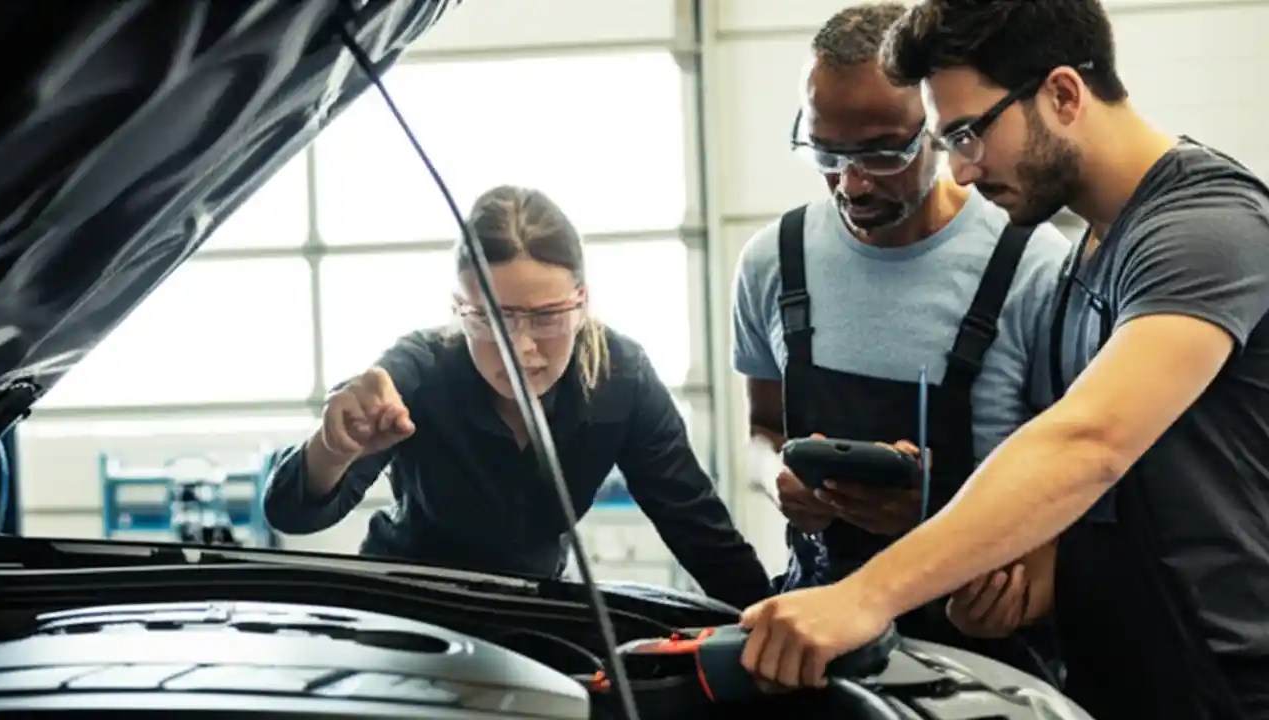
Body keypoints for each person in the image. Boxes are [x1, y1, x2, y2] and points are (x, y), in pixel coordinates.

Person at [737, 2, 1269, 718]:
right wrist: (1021, 581)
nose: (959, 167)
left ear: (1063, 94)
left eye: (966, 133)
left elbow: (1091, 443)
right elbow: (1130, 496)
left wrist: (862, 598)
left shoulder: (1207, 231)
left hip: (1231, 682)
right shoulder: (1090, 253)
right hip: (1119, 673)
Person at [730, 3, 1069, 673]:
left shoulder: (1034, 267)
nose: (850, 183)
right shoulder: (775, 261)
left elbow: (1083, 478)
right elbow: (760, 429)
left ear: (941, 132)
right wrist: (778, 478)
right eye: (826, 152)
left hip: (980, 651)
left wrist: (1022, 576)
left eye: (883, 152)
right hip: (819, 641)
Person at [263, 184, 772, 609]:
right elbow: (292, 514)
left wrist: (771, 621)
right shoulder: (418, 369)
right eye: (491, 320)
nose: (520, 349)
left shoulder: (623, 378)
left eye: (546, 317)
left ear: (582, 302)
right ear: (459, 309)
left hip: (536, 609)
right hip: (409, 610)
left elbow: (697, 527)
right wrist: (333, 449)